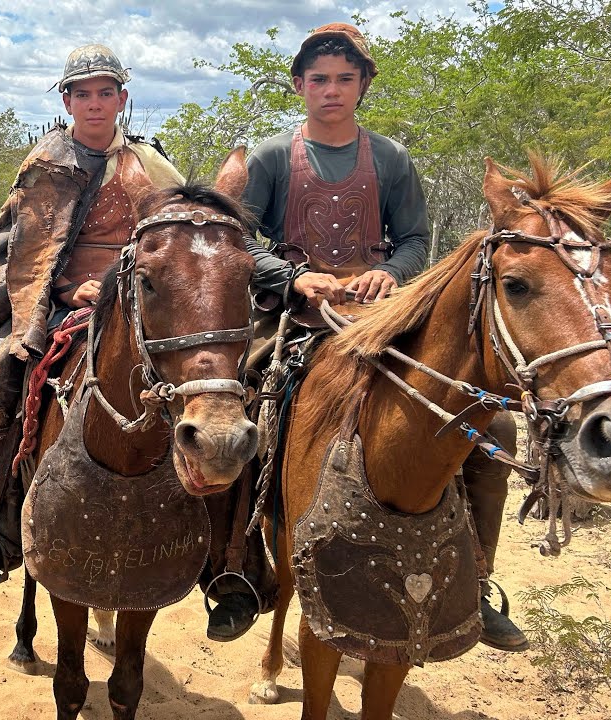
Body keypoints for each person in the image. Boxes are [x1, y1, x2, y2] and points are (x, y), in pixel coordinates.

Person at [225, 23, 527, 652]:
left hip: (380, 315)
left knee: (491, 424)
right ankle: (238, 567)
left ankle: (476, 579)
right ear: (299, 86)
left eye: (344, 79)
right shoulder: (271, 158)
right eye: (318, 79)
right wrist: (295, 276)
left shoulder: (390, 158)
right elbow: (238, 242)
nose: (331, 90)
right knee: (237, 408)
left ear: (363, 85)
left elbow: (414, 239)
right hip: (293, 317)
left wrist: (388, 273)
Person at [0, 44, 185, 599]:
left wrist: (122, 286)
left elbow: (175, 243)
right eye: (82, 94)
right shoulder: (44, 163)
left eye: (105, 92)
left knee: (210, 387)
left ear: (121, 98)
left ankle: (218, 550)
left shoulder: (152, 165)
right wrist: (65, 289)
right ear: (67, 101)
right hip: (54, 304)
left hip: (137, 304)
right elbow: (19, 249)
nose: (94, 104)